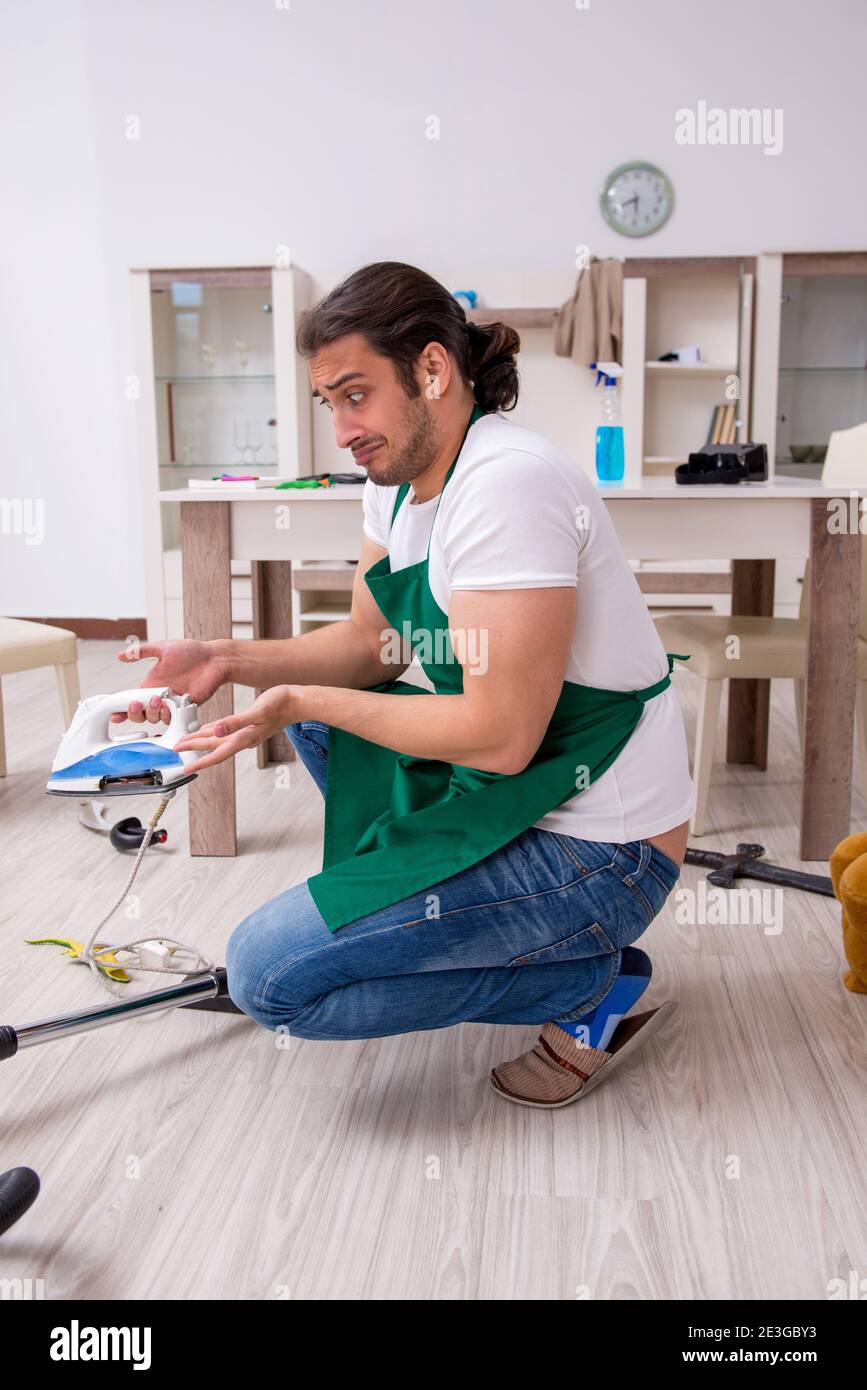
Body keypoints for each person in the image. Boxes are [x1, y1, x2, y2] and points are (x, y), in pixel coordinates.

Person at [114, 261, 695, 1108]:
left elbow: (501, 736)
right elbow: (371, 645)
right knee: (327, 728)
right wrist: (225, 658)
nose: (342, 430)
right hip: (518, 785)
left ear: (432, 369)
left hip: (602, 846)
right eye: (329, 404)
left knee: (267, 980)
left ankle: (586, 983)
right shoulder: (398, 490)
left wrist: (296, 700)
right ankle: (446, 911)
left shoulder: (509, 483)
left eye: (356, 395)